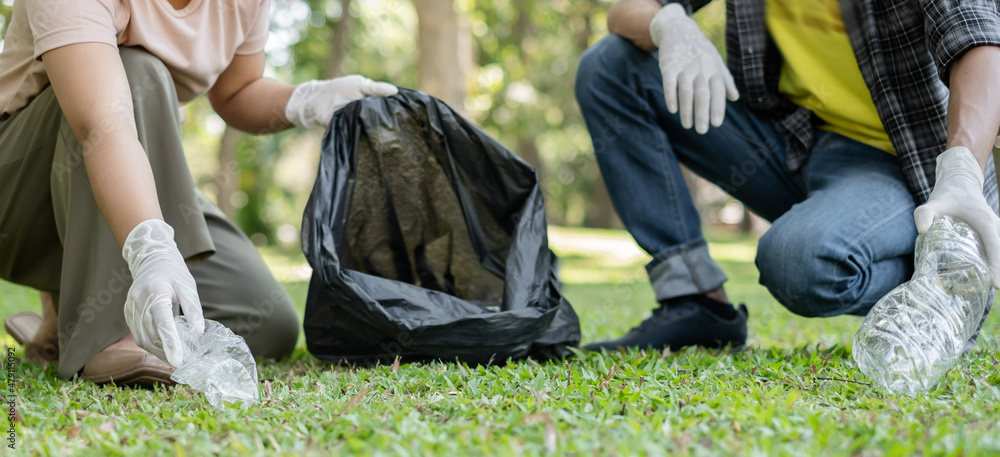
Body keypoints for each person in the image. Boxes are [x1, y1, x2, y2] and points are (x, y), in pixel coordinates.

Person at [0, 0, 398, 386]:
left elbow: (238, 91)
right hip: (19, 191)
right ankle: (104, 338)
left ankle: (62, 320)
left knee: (264, 321)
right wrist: (150, 250)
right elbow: (100, 125)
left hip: (126, 164)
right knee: (138, 69)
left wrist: (307, 101)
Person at [575, 0, 1000, 351]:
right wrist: (666, 21)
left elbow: (979, 38)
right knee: (611, 65)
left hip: (907, 164)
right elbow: (624, 10)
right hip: (795, 142)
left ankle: (949, 287)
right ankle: (697, 304)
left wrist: (962, 170)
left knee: (798, 263)